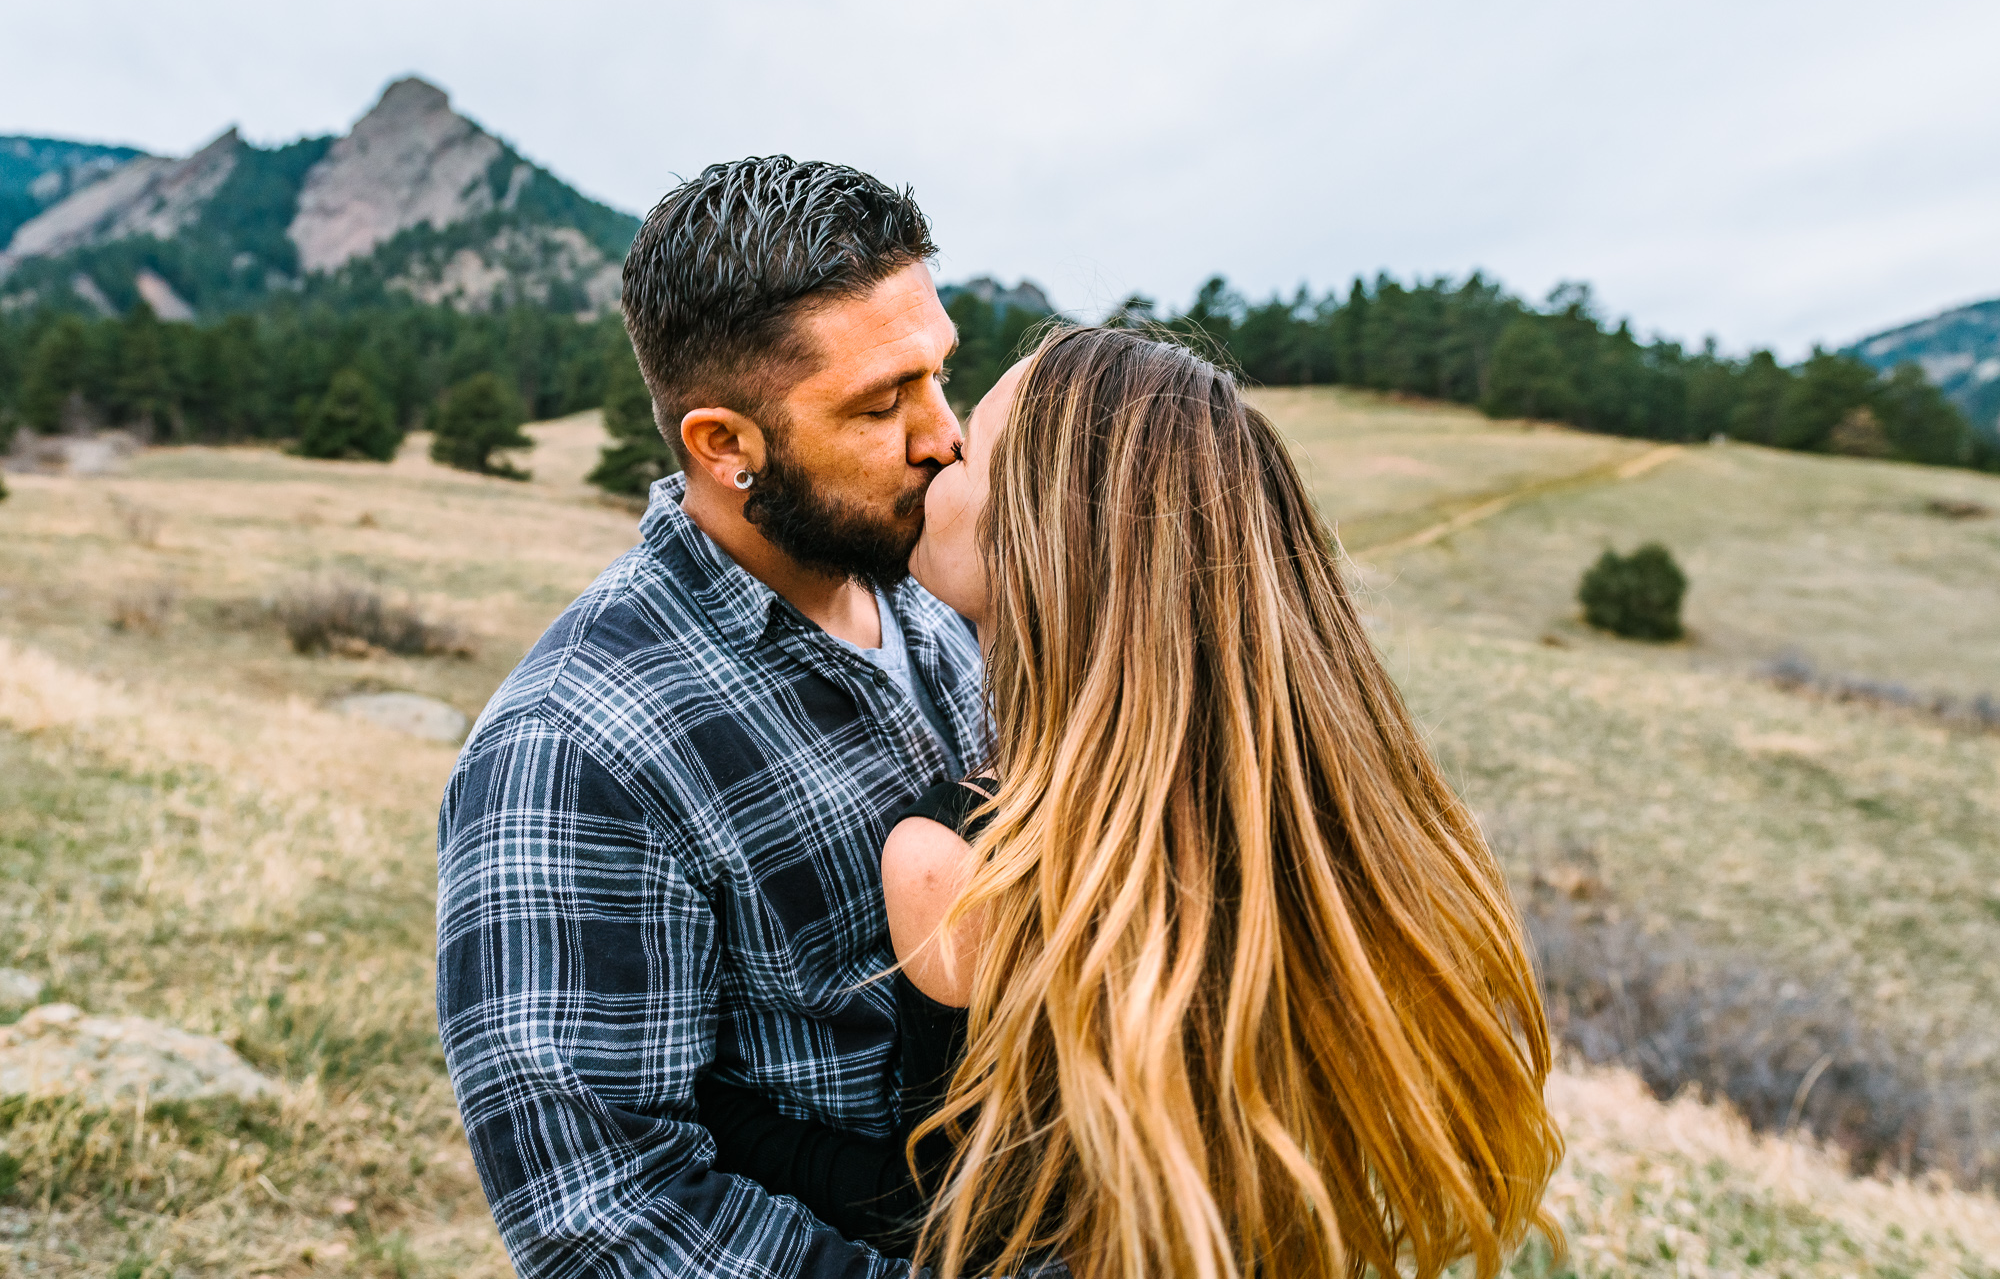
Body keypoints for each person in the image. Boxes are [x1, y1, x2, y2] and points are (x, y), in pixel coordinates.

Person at [691, 325, 1566, 1279]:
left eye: (970, 450)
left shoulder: (960, 862)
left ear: (1039, 536)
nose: (939, 447)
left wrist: (729, 1119)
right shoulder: (1293, 814)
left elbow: (968, 1213)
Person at [435, 156, 984, 1278]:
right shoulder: (575, 747)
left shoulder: (936, 595)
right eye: (882, 402)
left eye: (940, 374)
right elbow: (602, 1214)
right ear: (724, 445)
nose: (946, 436)